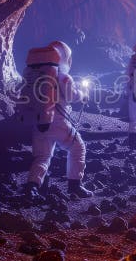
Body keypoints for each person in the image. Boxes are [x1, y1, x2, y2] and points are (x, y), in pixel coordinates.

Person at [23, 40, 93, 199]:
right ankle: (75, 185)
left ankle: (32, 187)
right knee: (78, 148)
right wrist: (83, 95)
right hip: (58, 121)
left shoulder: (32, 74)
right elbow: (71, 96)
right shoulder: (63, 77)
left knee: (42, 157)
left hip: (39, 122)